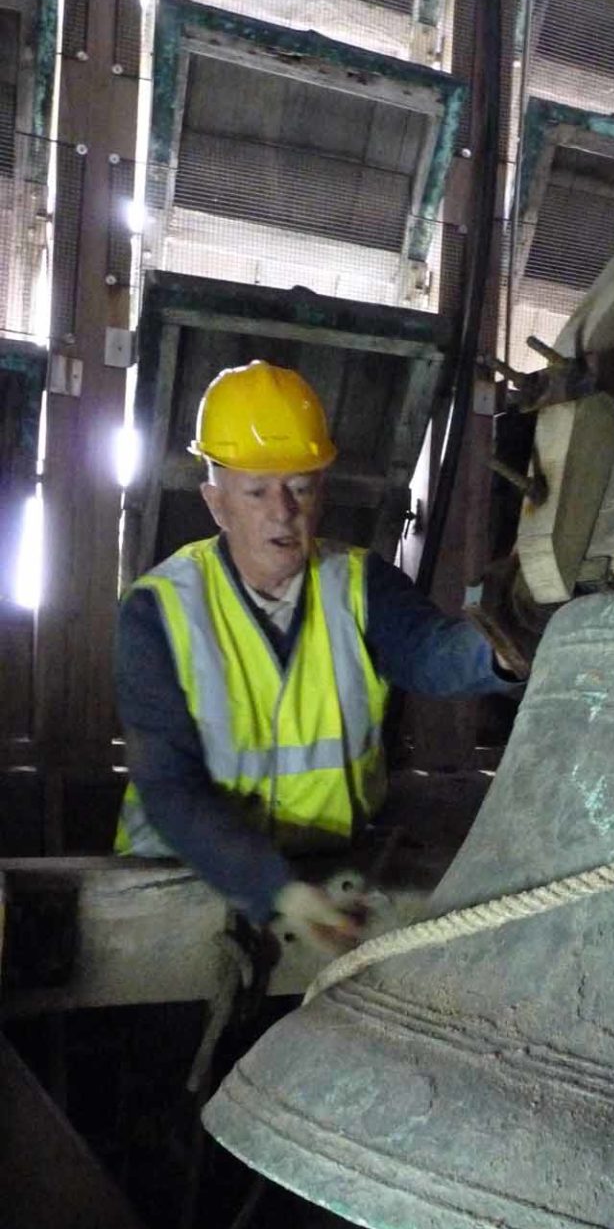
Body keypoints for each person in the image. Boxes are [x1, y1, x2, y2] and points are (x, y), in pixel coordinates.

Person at [115, 360, 528, 952]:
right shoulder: (157, 612)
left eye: (300, 487)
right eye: (257, 491)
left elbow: (435, 655)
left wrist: (509, 647)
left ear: (322, 492)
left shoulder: (360, 585)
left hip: (328, 870)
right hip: (174, 877)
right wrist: (273, 889)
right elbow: (168, 787)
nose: (283, 510)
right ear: (215, 502)